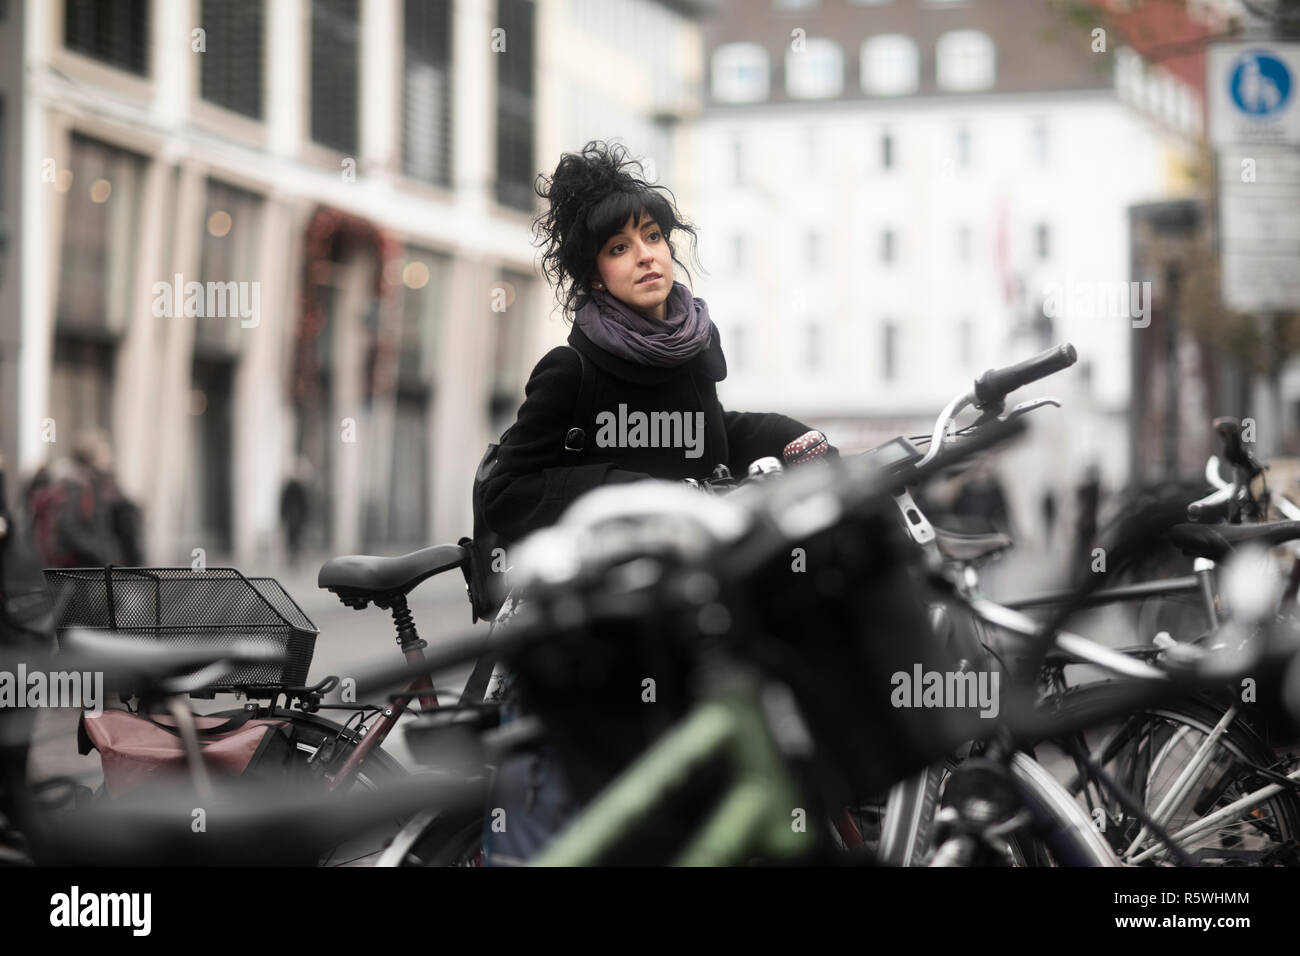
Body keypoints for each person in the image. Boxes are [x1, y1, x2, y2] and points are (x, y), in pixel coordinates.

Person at [478, 140, 839, 864]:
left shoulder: (687, 350)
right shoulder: (572, 368)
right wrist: (631, 494)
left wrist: (791, 436)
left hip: (669, 611)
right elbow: (505, 486)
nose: (647, 256)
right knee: (565, 811)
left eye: (654, 237)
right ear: (595, 276)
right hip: (587, 618)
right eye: (620, 247)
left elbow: (708, 438)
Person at [27, 429, 142, 568]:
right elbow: (70, 526)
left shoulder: (97, 482)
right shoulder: (79, 485)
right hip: (80, 567)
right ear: (91, 455)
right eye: (104, 452)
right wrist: (100, 552)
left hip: (88, 564)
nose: (109, 457)